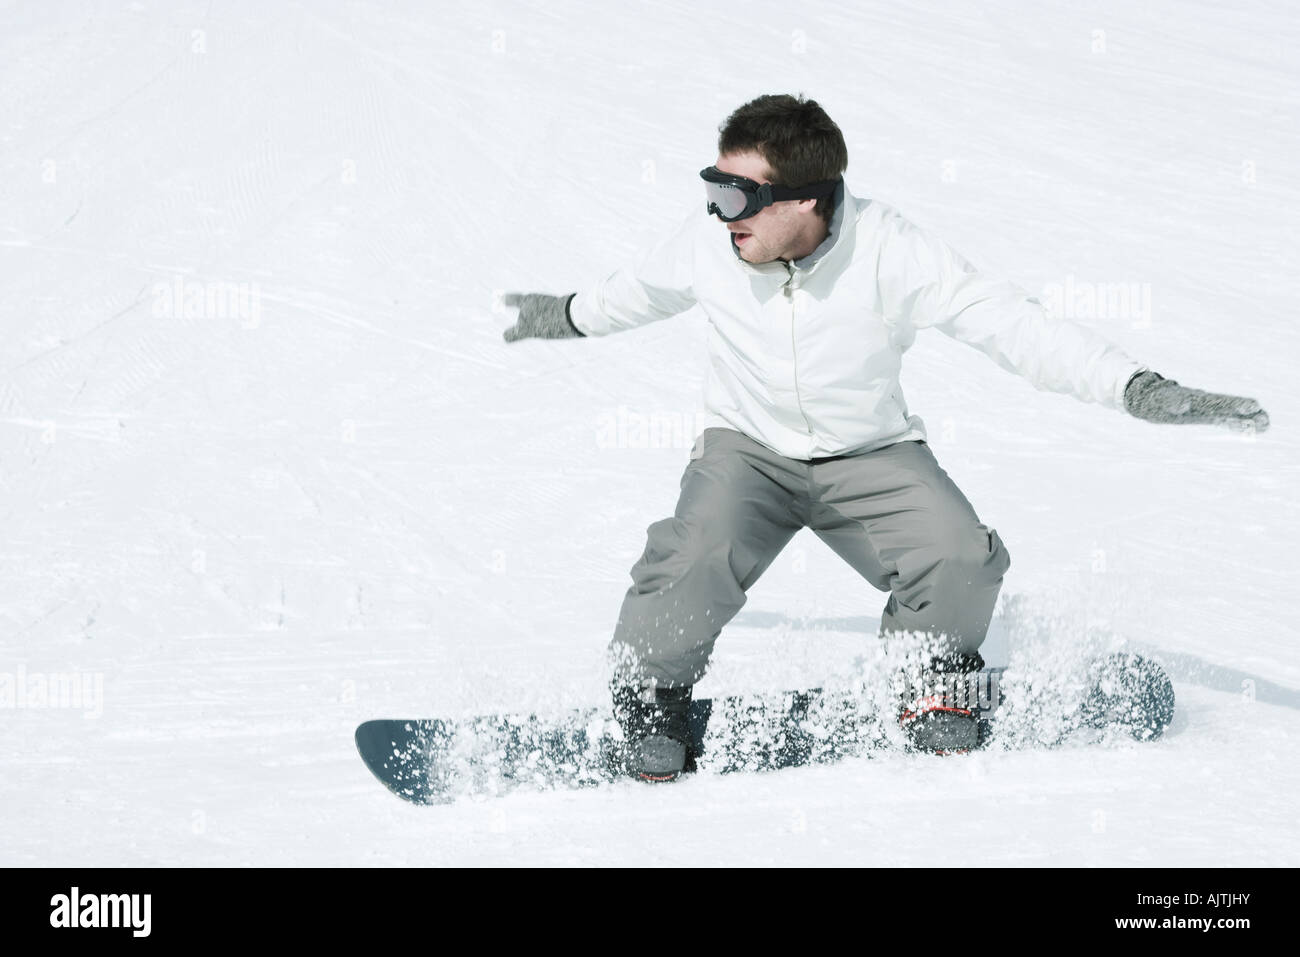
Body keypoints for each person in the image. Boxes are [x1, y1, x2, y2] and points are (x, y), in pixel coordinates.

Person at [501, 93, 1270, 782]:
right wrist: (556, 314)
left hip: (868, 453)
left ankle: (930, 674)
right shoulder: (713, 244)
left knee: (959, 552)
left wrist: (1136, 387)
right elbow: (632, 292)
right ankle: (649, 698)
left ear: (803, 197)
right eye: (712, 186)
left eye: (735, 192)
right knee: (693, 553)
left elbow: (1010, 321)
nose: (719, 210)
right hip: (748, 451)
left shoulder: (891, 249)